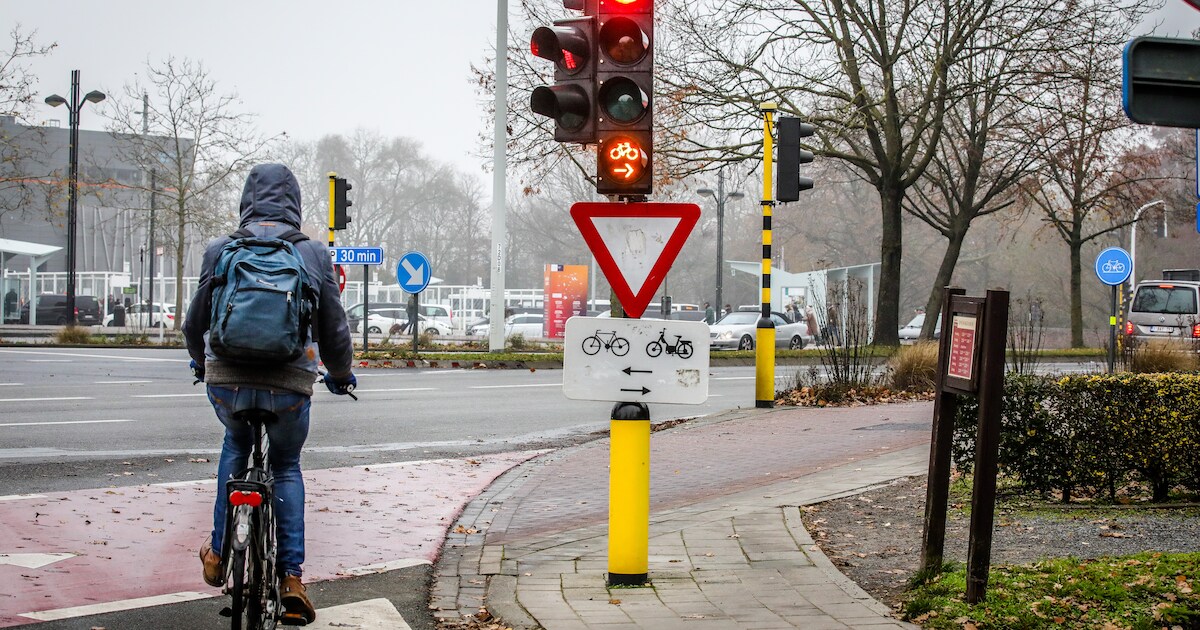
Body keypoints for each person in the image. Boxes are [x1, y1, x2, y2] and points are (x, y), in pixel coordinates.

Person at [184, 163, 356, 624]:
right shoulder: (313, 254)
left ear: (247, 200)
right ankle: (291, 580)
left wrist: (201, 364)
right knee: (284, 466)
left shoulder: (221, 250)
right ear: (294, 203)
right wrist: (341, 374)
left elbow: (194, 321)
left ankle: (218, 554)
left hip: (228, 381)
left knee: (236, 444)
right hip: (289, 384)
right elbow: (333, 328)